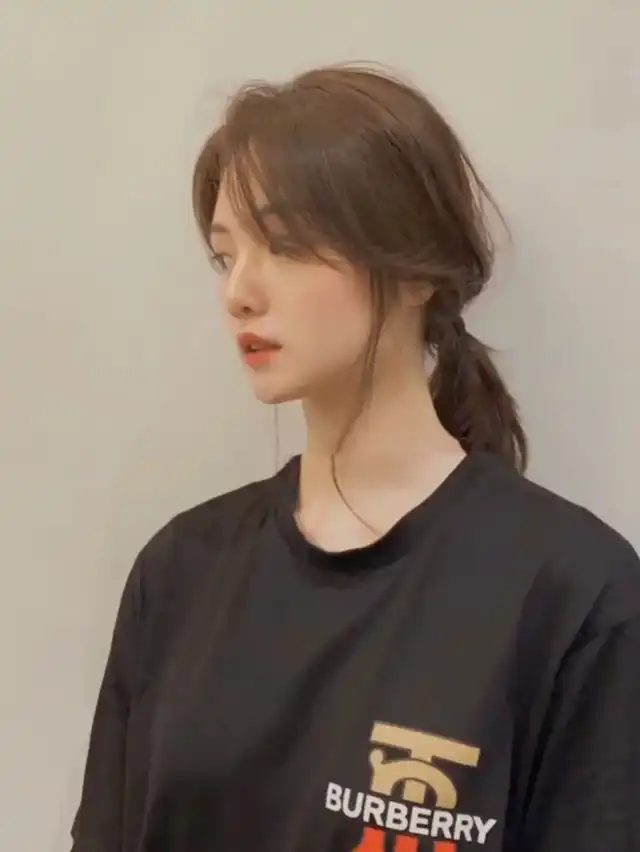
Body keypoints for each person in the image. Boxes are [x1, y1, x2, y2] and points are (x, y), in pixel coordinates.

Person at [70, 64, 640, 852]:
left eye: (284, 244)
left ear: (414, 271)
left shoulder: (571, 595)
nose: (238, 292)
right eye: (225, 255)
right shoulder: (179, 573)